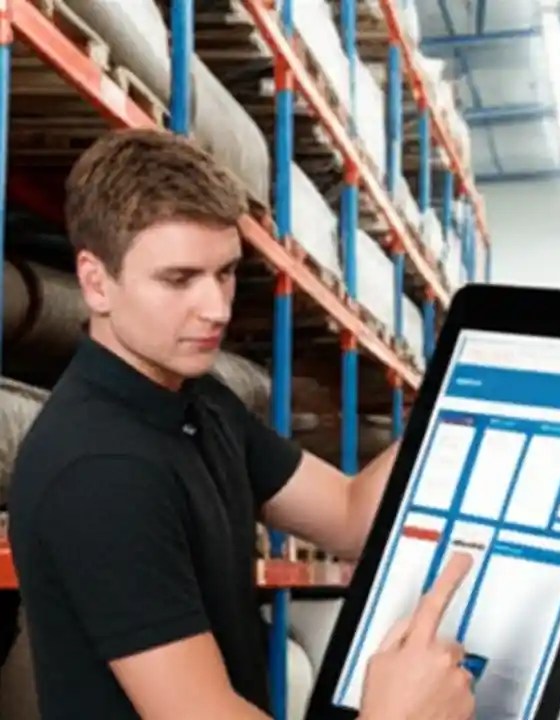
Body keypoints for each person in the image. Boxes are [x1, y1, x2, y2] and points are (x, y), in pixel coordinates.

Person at [7, 128, 475, 719]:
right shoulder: (100, 471)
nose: (217, 308)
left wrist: (461, 403)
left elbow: (352, 513)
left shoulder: (199, 404)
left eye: (224, 272)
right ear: (97, 282)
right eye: (179, 279)